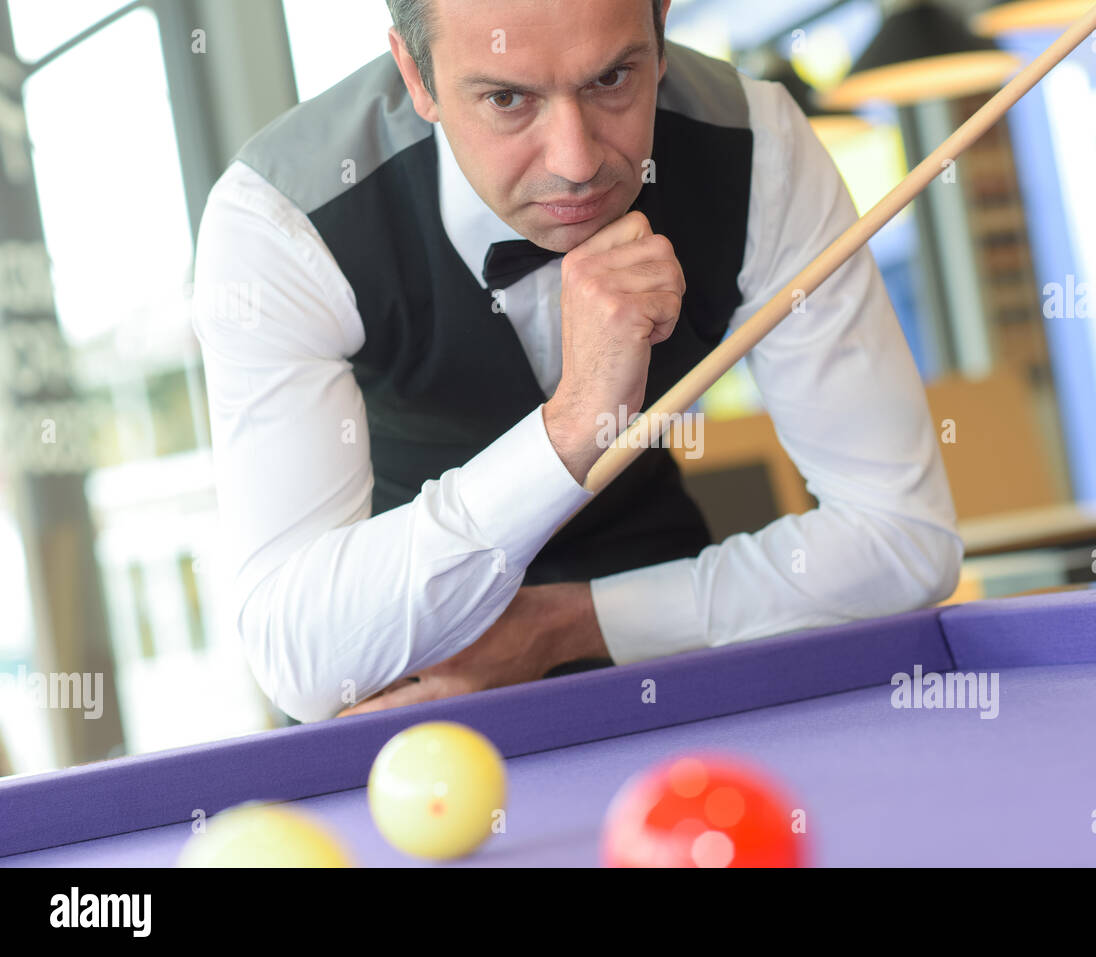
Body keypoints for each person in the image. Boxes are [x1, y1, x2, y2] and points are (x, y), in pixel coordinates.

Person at [193, 0, 962, 723]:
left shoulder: (758, 146)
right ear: (416, 76)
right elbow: (299, 651)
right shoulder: (280, 223)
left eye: (612, 79)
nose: (577, 163)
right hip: (411, 685)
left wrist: (570, 623)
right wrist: (573, 425)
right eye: (506, 100)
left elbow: (903, 541)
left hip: (679, 671)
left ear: (661, 25)